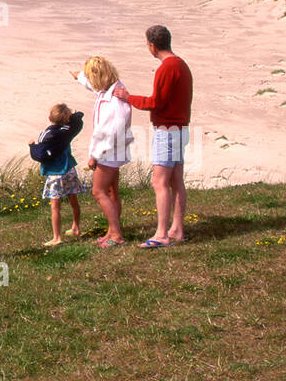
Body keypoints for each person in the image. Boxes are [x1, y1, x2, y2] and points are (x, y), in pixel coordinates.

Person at [113, 25, 193, 248]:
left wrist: (128, 97)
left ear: (152, 45)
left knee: (159, 181)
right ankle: (176, 229)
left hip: (167, 130)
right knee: (176, 180)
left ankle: (162, 234)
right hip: (180, 129)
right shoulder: (182, 65)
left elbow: (156, 102)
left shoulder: (167, 68)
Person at [70, 55, 133, 248]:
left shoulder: (114, 101)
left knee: (98, 191)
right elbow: (92, 85)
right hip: (114, 150)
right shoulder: (112, 87)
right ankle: (112, 230)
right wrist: (78, 76)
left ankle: (117, 235)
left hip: (109, 151)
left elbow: (106, 133)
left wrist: (93, 156)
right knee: (112, 191)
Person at [29, 103, 87, 246]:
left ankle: (57, 237)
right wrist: (70, 117)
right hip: (69, 169)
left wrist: (32, 145)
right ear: (66, 119)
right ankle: (76, 228)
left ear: (49, 118)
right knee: (73, 199)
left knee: (55, 206)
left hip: (55, 173)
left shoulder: (48, 134)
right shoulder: (68, 130)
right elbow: (77, 119)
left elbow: (39, 154)